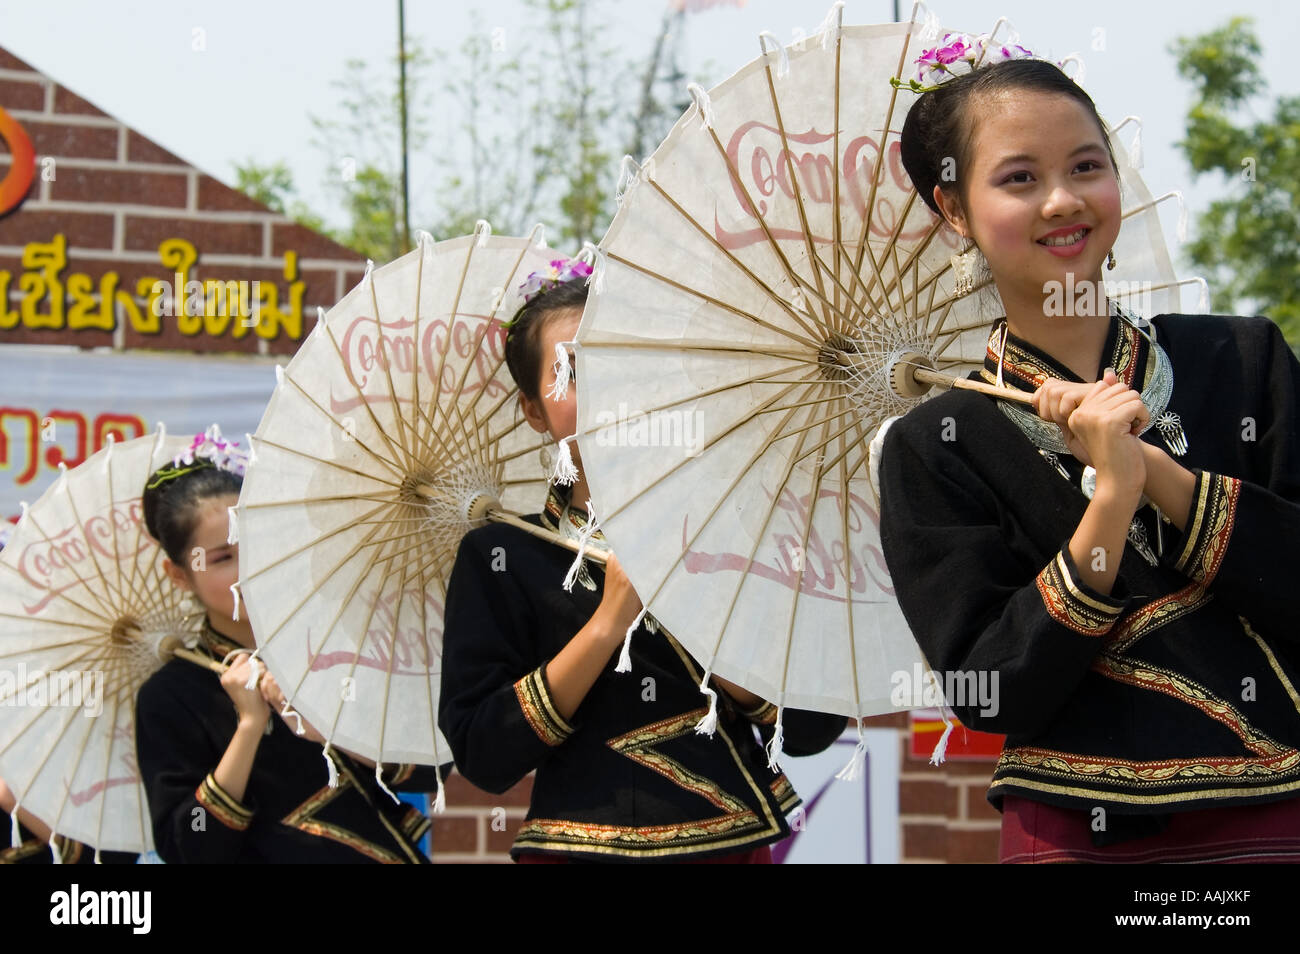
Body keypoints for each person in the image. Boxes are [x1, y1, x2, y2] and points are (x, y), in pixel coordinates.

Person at [879, 45, 1300, 862]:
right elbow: (992, 689)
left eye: (1085, 166)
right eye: (1019, 179)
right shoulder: (934, 447)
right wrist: (1110, 501)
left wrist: (1160, 477)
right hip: (1073, 830)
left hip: (1277, 811)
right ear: (953, 209)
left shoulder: (1243, 362)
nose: (1063, 200)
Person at [439, 261, 847, 863]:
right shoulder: (503, 553)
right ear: (532, 410)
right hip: (575, 849)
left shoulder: (733, 524)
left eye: (618, 365)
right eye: (575, 373)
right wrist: (609, 621)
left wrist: (691, 602)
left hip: (730, 847)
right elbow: (485, 755)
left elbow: (813, 726)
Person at [134, 429, 448, 863]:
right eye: (223, 558)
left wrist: (326, 725)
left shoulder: (336, 641)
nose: (246, 569)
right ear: (178, 574)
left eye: (254, 545)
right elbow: (189, 847)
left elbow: (433, 769)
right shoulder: (170, 695)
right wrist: (248, 725)